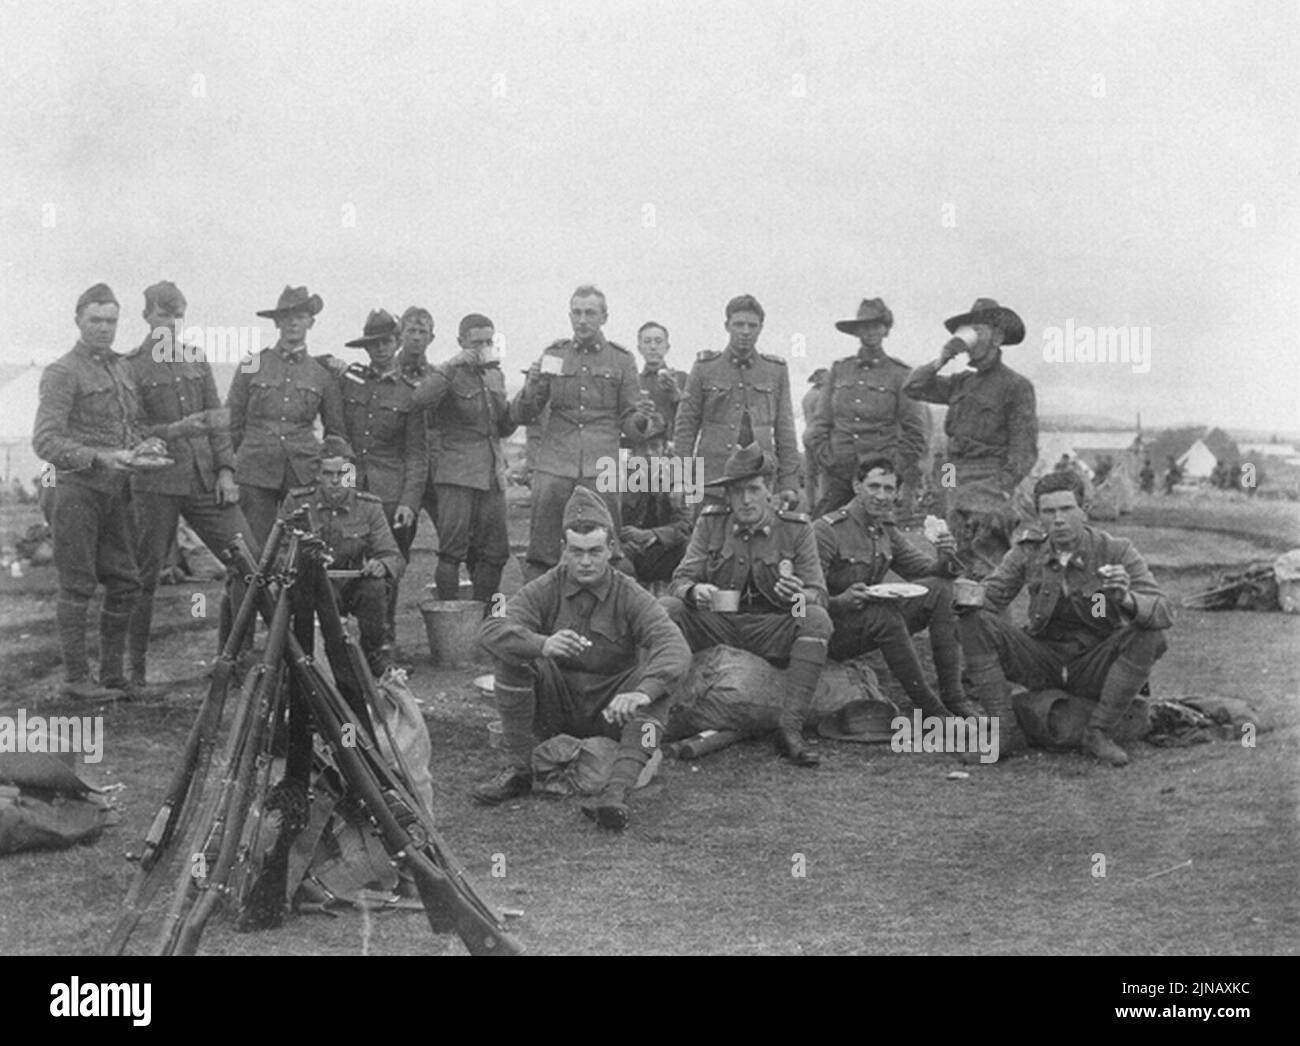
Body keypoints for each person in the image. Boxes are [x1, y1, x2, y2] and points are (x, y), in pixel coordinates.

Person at [475, 486, 691, 831]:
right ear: (563, 551)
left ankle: (616, 792)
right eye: (576, 551)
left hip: (613, 711)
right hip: (558, 708)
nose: (586, 561)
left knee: (659, 687)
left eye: (594, 551)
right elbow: (492, 628)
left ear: (610, 550)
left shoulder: (630, 593)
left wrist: (643, 692)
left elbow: (674, 645)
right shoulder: (546, 586)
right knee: (512, 656)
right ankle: (520, 770)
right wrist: (542, 644)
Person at [956, 470, 1173, 765]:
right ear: (1039, 516)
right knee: (973, 620)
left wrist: (1126, 599)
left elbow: (1162, 611)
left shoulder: (1115, 550)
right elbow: (991, 597)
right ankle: (1004, 733)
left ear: (1084, 511)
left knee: (1149, 633)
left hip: (1095, 663)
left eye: (1066, 509)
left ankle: (1098, 732)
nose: (1058, 519)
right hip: (1043, 658)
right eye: (1049, 511)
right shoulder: (1028, 552)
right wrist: (965, 593)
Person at [662, 416, 831, 767]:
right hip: (721, 623)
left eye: (754, 489)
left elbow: (818, 592)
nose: (746, 500)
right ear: (727, 494)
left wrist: (796, 595)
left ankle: (790, 728)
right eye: (737, 491)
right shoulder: (711, 523)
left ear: (769, 489)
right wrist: (695, 591)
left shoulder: (797, 529)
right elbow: (680, 579)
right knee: (668, 608)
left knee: (813, 617)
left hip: (774, 627)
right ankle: (660, 711)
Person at [122, 281, 251, 691]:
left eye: (177, 315)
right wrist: (174, 429)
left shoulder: (195, 358)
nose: (171, 323)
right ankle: (133, 672)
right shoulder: (131, 366)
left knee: (247, 562)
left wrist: (227, 471)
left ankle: (234, 660)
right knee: (144, 577)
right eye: (163, 314)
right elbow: (130, 431)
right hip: (155, 481)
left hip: (203, 479)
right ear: (146, 316)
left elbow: (218, 420)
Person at [33, 283, 142, 700]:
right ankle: (77, 681)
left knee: (125, 580)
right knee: (77, 583)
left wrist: (141, 447)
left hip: (114, 490)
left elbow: (128, 427)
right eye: (95, 320)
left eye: (111, 320)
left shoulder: (121, 368)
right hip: (74, 489)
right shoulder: (62, 372)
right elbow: (45, 441)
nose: (104, 328)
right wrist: (99, 457)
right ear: (78, 319)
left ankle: (112, 677)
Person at [814, 457, 977, 718]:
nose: (881, 496)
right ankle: (931, 710)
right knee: (884, 614)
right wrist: (840, 602)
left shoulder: (884, 529)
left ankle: (953, 695)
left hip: (868, 625)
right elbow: (804, 598)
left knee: (941, 590)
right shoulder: (826, 530)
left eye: (889, 489)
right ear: (857, 486)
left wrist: (945, 555)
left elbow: (926, 571)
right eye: (874, 486)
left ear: (898, 493)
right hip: (831, 633)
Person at [511, 285, 651, 580]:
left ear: (604, 317)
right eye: (577, 312)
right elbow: (527, 413)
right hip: (556, 462)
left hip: (602, 464)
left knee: (606, 549)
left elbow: (629, 419)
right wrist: (532, 386)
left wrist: (641, 420)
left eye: (590, 313)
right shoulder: (554, 354)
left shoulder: (621, 360)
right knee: (543, 550)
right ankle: (541, 617)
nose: (583, 319)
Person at [903, 297, 1038, 579]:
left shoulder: (1015, 386)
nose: (970, 337)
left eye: (978, 330)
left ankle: (992, 623)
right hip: (954, 479)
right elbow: (913, 387)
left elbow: (1024, 449)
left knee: (986, 574)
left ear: (997, 337)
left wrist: (1000, 489)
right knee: (952, 566)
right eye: (968, 330)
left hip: (988, 485)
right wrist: (943, 357)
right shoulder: (961, 383)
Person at [227, 285, 346, 549]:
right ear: (277, 322)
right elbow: (232, 422)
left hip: (303, 472)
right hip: (255, 471)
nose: (293, 321)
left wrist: (330, 473)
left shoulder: (321, 374)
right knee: (252, 551)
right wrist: (231, 467)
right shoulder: (252, 363)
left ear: (311, 322)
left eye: (300, 316)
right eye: (286, 316)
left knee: (305, 552)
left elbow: (335, 433)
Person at [337, 309, 428, 649]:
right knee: (343, 561)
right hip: (351, 488)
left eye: (387, 341)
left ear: (398, 341)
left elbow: (418, 455)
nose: (380, 349)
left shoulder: (411, 393)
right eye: (373, 343)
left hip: (392, 495)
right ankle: (343, 641)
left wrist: (409, 503)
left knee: (387, 568)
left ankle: (384, 643)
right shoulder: (350, 381)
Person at [411, 313, 516, 602]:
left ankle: (485, 619)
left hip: (491, 475)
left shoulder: (495, 375)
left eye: (488, 341)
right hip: (456, 475)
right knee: (451, 552)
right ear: (461, 342)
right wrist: (451, 365)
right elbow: (419, 400)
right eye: (476, 342)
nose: (482, 347)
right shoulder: (448, 373)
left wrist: (525, 400)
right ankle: (450, 624)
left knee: (496, 553)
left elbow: (504, 425)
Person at [279, 436, 404, 678]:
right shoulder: (297, 502)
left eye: (342, 473)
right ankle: (318, 660)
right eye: (328, 474)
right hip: (313, 586)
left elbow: (392, 555)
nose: (335, 481)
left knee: (375, 588)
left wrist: (381, 565)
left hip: (352, 584)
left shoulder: (369, 506)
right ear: (318, 474)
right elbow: (280, 550)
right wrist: (301, 565)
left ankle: (372, 654)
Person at [673, 294, 802, 511]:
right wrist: (679, 479)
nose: (745, 331)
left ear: (761, 328)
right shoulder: (705, 367)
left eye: (752, 325)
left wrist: (789, 483)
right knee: (707, 540)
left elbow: (785, 430)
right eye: (739, 324)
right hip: (711, 480)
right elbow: (686, 427)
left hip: (759, 482)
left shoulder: (775, 371)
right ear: (727, 326)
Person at [805, 298, 927, 518]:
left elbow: (915, 434)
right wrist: (830, 459)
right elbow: (819, 424)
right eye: (864, 326)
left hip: (878, 482)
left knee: (876, 544)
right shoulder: (840, 370)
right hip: (838, 477)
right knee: (820, 536)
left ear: (886, 330)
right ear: (856, 331)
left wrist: (889, 471)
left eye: (876, 325)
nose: (870, 331)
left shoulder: (900, 374)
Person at [619, 434, 693, 587]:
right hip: (631, 551)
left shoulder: (677, 481)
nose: (648, 453)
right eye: (642, 447)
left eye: (654, 446)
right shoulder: (620, 480)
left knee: (688, 550)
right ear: (633, 451)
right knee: (618, 563)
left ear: (664, 450)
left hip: (665, 550)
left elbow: (685, 526)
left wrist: (651, 534)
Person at [395, 305, 442, 543]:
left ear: (431, 338)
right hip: (399, 473)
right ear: (400, 333)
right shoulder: (386, 375)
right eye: (410, 330)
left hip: (436, 472)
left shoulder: (438, 378)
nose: (415, 337)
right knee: (395, 541)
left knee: (454, 539)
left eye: (422, 331)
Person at [625, 321, 687, 449]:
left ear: (667, 347)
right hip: (641, 452)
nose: (653, 347)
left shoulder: (683, 379)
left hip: (675, 451)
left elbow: (693, 417)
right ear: (639, 348)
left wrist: (676, 394)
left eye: (658, 341)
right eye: (647, 342)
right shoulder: (632, 382)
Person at [801, 367, 829, 511]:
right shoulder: (821, 397)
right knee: (825, 470)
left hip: (807, 433)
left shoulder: (808, 395)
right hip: (819, 435)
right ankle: (822, 503)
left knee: (810, 472)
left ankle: (810, 504)